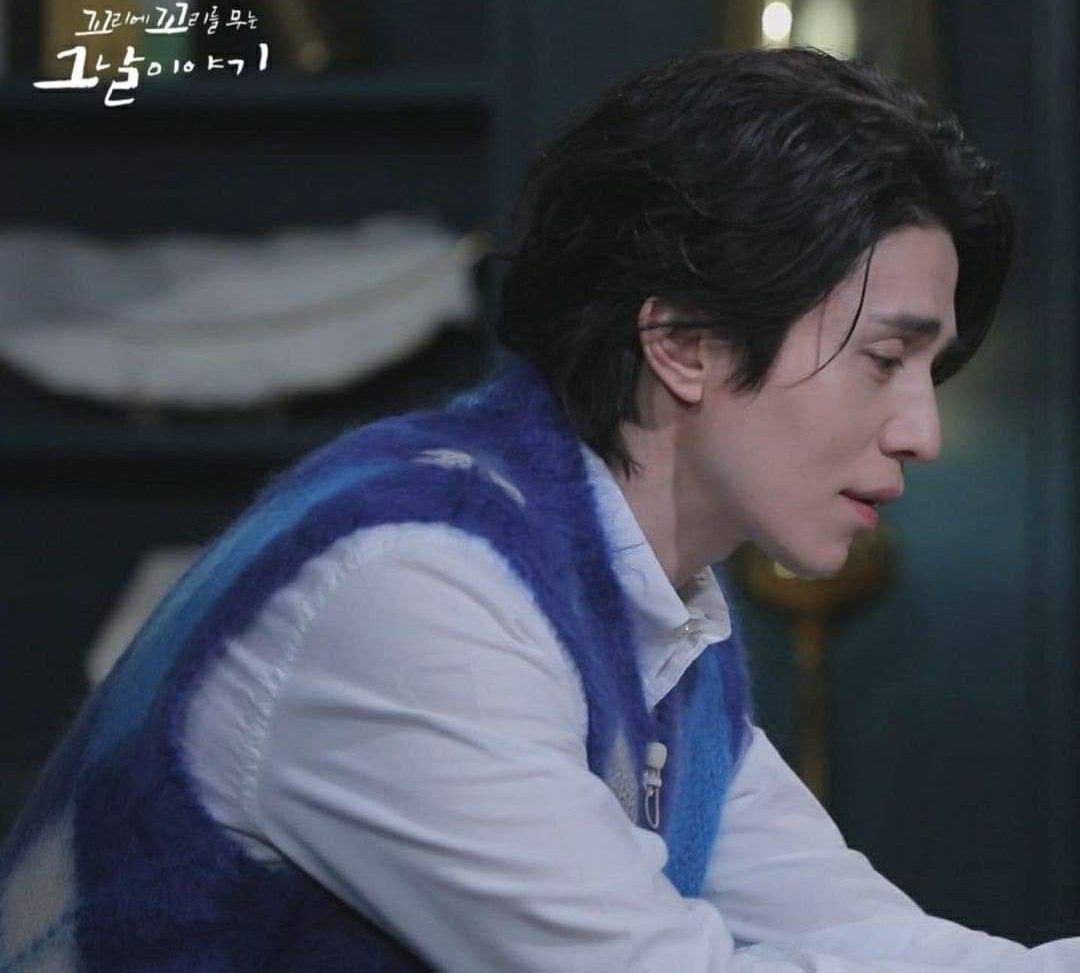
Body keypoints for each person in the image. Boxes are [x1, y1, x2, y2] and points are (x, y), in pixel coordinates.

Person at [1, 47, 1076, 972]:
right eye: (885, 360)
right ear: (684, 344)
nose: (923, 432)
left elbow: (876, 941)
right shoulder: (418, 586)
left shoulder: (650, 612)